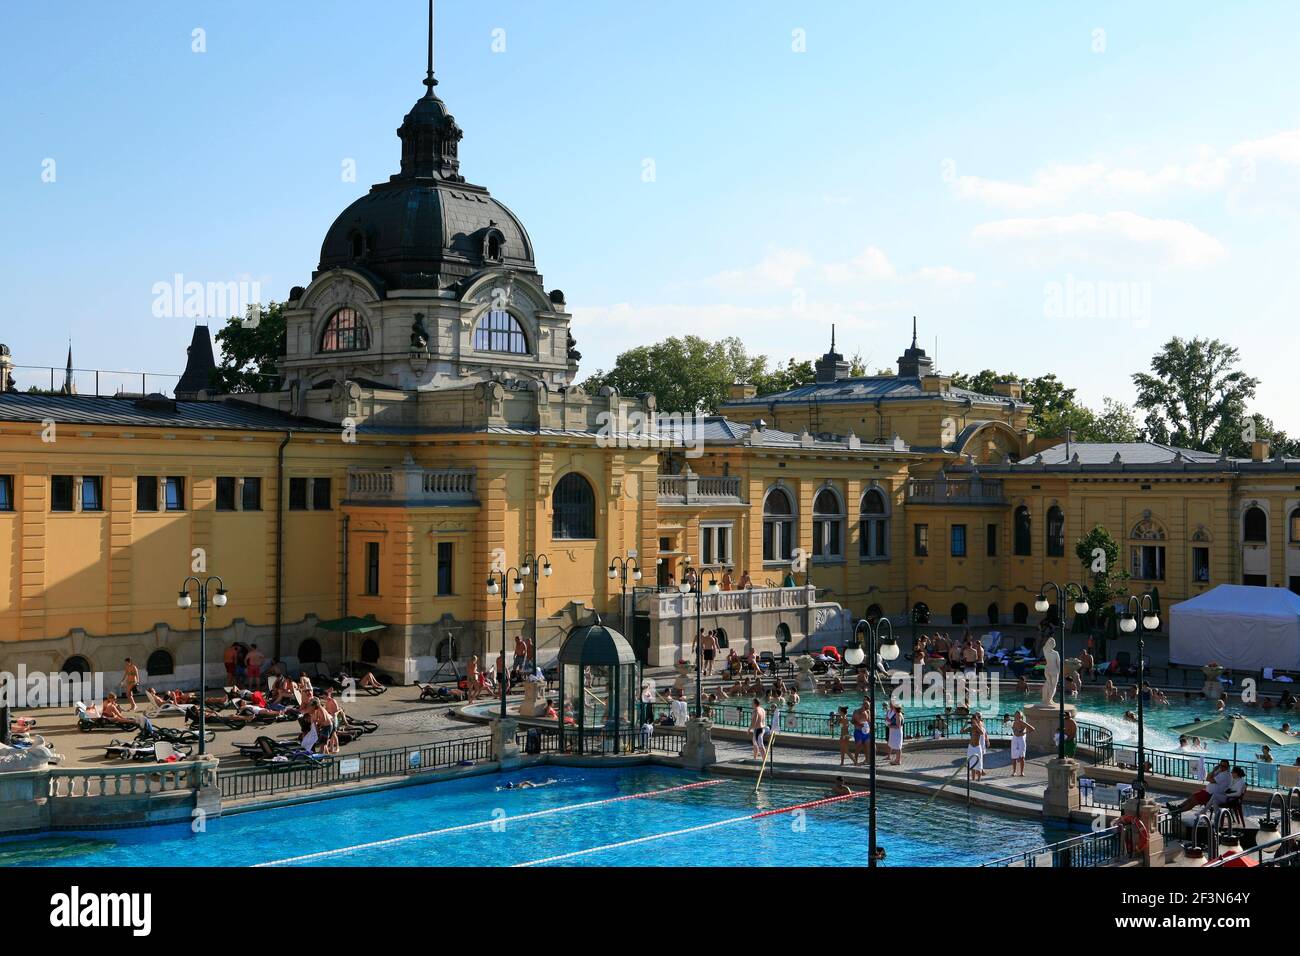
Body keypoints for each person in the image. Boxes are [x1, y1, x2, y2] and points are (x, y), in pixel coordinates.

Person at [1165, 759, 1231, 813]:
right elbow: (1208, 777)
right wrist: (1215, 771)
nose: (1221, 767)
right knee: (1192, 796)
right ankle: (1177, 807)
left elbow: (1208, 779)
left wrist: (1214, 771)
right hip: (1207, 791)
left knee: (1193, 801)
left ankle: (1177, 811)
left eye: (1224, 766)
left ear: (1228, 767)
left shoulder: (1225, 775)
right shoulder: (1220, 772)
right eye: (1220, 765)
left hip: (1211, 794)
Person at [1010, 710, 1034, 777]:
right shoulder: (1013, 722)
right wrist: (1016, 731)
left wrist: (1024, 732)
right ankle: (1014, 771)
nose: (1017, 717)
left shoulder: (1022, 723)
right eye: (1016, 715)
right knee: (1013, 756)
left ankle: (1022, 772)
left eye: (1018, 716)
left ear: (1021, 716)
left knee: (1022, 757)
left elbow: (1032, 729)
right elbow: (1013, 729)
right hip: (1015, 739)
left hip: (1021, 739)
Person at [966, 712, 986, 781]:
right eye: (972, 720)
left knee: (979, 765)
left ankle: (979, 780)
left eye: (974, 719)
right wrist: (965, 724)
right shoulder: (971, 728)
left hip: (977, 747)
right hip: (971, 747)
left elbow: (982, 732)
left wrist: (976, 725)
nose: (973, 721)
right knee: (971, 764)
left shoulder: (978, 726)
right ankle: (973, 779)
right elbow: (961, 731)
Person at [851, 698, 872, 764]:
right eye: (866, 707)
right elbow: (852, 721)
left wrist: (868, 725)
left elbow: (869, 721)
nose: (867, 709)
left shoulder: (868, 712)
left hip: (866, 732)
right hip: (858, 731)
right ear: (863, 706)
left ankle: (867, 760)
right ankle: (855, 760)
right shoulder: (856, 711)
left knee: (867, 746)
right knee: (858, 746)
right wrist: (859, 724)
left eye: (868, 708)